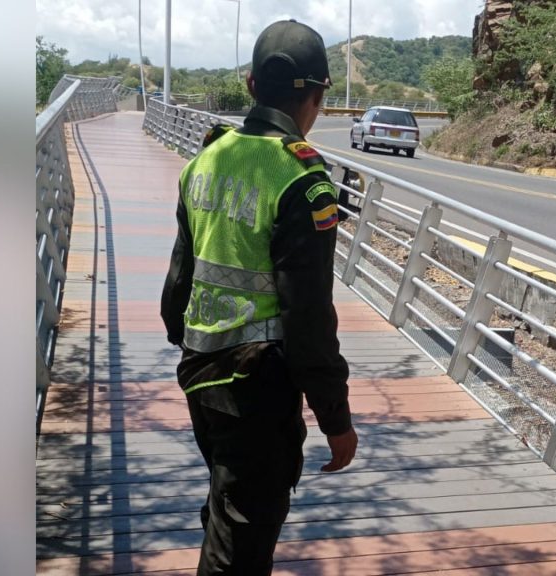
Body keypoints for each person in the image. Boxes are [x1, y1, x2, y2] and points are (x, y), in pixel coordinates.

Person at [160, 19, 359, 576]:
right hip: (257, 390)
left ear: (250, 84)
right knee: (241, 547)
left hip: (200, 372)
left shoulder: (206, 159)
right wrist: (335, 417)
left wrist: (189, 337)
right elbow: (308, 317)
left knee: (228, 508)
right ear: (317, 97)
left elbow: (178, 284)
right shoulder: (302, 179)